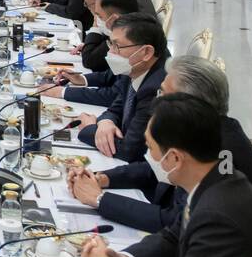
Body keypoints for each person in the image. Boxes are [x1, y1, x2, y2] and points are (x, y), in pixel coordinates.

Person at [81, 94, 252, 257]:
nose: (149, 156)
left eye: (151, 148)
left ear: (174, 157)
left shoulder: (218, 214)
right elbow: (173, 237)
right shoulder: (215, 179)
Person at [68, 56, 252, 234]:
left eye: (163, 93)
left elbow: (174, 221)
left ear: (190, 103)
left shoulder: (221, 149)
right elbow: (157, 166)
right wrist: (101, 178)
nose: (156, 99)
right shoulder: (197, 126)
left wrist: (99, 199)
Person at [45, 13, 168, 161]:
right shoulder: (134, 68)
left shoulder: (156, 89)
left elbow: (131, 150)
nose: (111, 52)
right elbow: (117, 105)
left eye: (117, 46)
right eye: (111, 44)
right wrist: (105, 121)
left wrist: (90, 128)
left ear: (146, 52)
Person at [80, 0, 140, 73]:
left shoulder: (130, 41)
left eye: (99, 16)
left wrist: (95, 26)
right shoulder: (126, 27)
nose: (96, 19)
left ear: (114, 19)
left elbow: (89, 60)